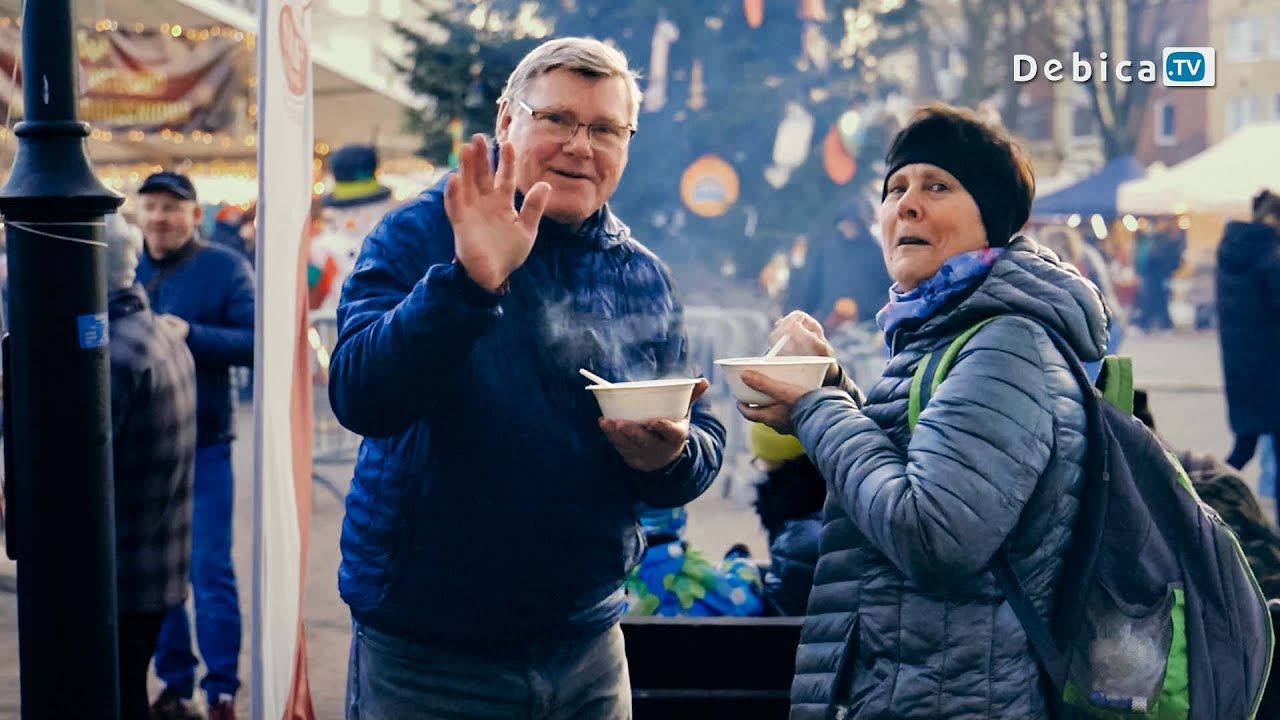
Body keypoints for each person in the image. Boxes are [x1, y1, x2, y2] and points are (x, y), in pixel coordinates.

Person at [330, 37, 725, 719]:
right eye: (558, 120)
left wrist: (673, 455)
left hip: (588, 645)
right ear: (507, 118)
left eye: (605, 128)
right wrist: (468, 284)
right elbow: (361, 394)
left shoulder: (640, 273)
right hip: (430, 654)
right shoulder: (423, 234)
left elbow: (698, 431)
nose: (581, 145)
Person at [737, 103, 1111, 719]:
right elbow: (921, 469)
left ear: (990, 217)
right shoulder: (944, 333)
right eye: (895, 188)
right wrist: (832, 387)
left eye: (937, 186)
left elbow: (932, 532)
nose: (906, 204)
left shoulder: (1006, 345)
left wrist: (817, 405)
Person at [134, 171, 255, 720]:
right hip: (140, 449)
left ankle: (223, 690)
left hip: (205, 443)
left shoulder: (225, 267)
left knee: (209, 569)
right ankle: (175, 683)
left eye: (172, 207)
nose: (160, 217)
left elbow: (258, 341)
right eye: (151, 206)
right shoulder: (119, 266)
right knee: (157, 573)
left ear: (194, 214)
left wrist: (192, 336)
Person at [103, 213, 198, 720]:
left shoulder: (114, 354)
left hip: (121, 575)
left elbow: (71, 477)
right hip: (154, 568)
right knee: (125, 691)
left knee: (113, 695)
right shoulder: (156, 333)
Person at [1216, 189, 1280, 519]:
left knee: (1243, 448)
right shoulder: (1271, 255)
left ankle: (1205, 498)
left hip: (1243, 370)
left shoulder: (1231, 250)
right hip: (1273, 372)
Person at [785, 198, 892, 330]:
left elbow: (888, 294)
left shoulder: (876, 253)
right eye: (844, 223)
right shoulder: (827, 250)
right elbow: (813, 286)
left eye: (851, 224)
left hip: (864, 325)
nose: (847, 227)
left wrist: (862, 309)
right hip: (827, 321)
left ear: (860, 224)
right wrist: (805, 314)